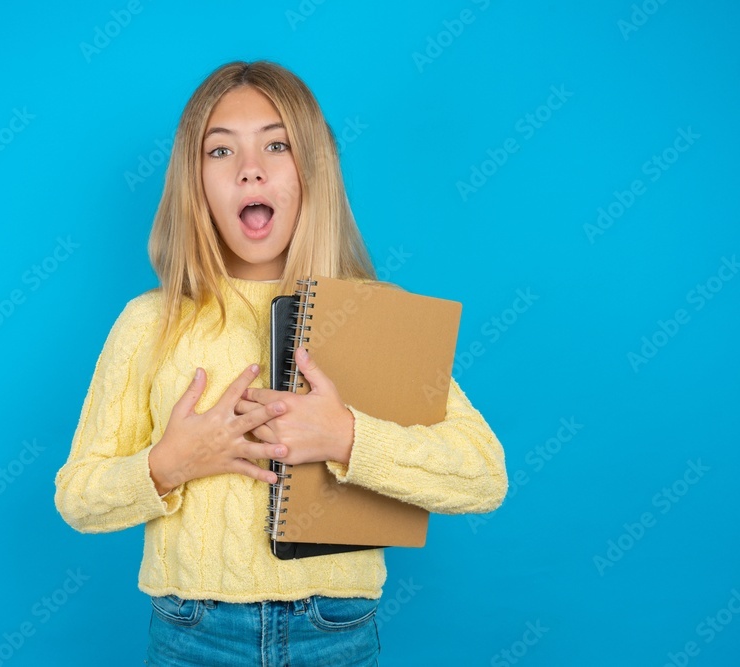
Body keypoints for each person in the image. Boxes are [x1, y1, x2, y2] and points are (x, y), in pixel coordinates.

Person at [54, 60, 508, 667]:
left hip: (334, 629)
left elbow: (482, 475)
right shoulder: (149, 322)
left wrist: (345, 436)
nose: (250, 168)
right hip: (193, 631)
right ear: (196, 182)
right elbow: (77, 497)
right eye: (220, 151)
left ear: (312, 170)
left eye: (278, 144)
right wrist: (169, 464)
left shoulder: (373, 317)